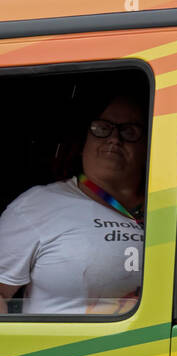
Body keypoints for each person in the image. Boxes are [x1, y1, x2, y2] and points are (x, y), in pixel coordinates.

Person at [0, 88, 147, 316]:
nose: (114, 139)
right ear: (83, 142)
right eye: (102, 128)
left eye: (129, 131)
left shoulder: (176, 210)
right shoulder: (38, 205)